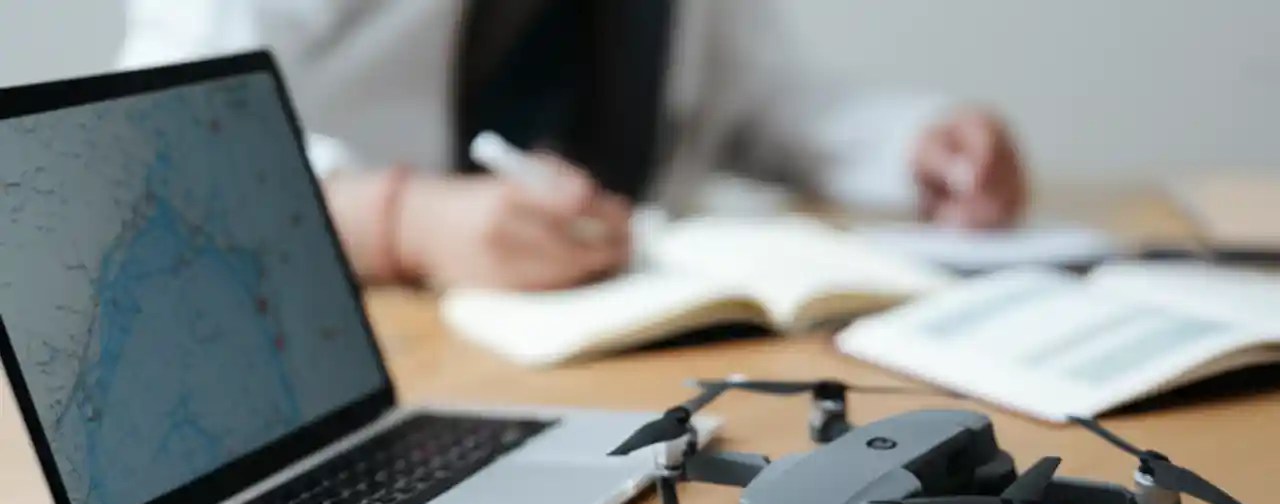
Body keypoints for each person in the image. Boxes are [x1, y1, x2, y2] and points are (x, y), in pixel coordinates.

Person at [117, 0, 1027, 290]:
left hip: (617, 335)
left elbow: (747, 93)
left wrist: (913, 144)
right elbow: (153, 153)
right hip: (375, 352)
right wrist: (400, 225)